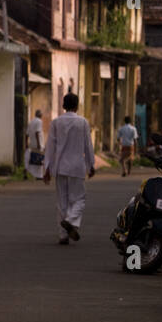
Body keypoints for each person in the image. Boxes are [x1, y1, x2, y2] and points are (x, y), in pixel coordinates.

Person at [43, 93, 96, 245]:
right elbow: (88, 145)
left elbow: (50, 147)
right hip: (77, 167)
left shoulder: (56, 122)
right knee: (79, 199)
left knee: (62, 202)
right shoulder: (82, 122)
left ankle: (63, 235)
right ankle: (71, 220)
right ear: (77, 105)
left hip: (60, 167)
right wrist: (91, 165)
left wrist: (47, 168)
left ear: (63, 106)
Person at [25, 109, 45, 180]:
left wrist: (26, 144)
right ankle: (39, 176)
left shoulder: (31, 122)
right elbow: (37, 132)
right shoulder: (39, 121)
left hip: (32, 144)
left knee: (33, 159)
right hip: (38, 144)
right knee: (39, 160)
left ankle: (29, 173)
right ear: (39, 115)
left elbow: (26, 134)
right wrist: (39, 144)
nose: (42, 115)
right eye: (41, 114)